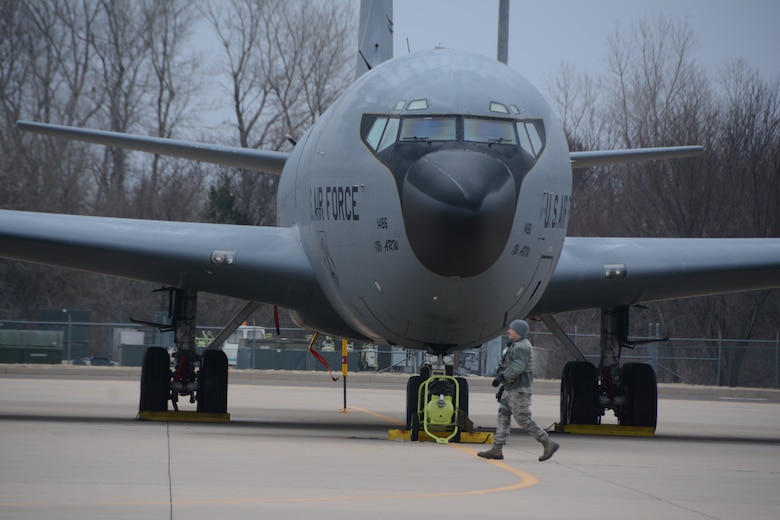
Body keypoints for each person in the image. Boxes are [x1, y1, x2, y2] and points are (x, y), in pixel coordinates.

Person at [478, 319, 559, 462]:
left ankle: (547, 442)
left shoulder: (522, 347)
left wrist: (501, 378)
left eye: (512, 329)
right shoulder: (516, 345)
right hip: (511, 388)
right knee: (503, 417)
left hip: (519, 390)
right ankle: (497, 449)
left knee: (523, 418)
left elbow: (517, 367)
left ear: (519, 332)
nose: (508, 331)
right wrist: (504, 386)